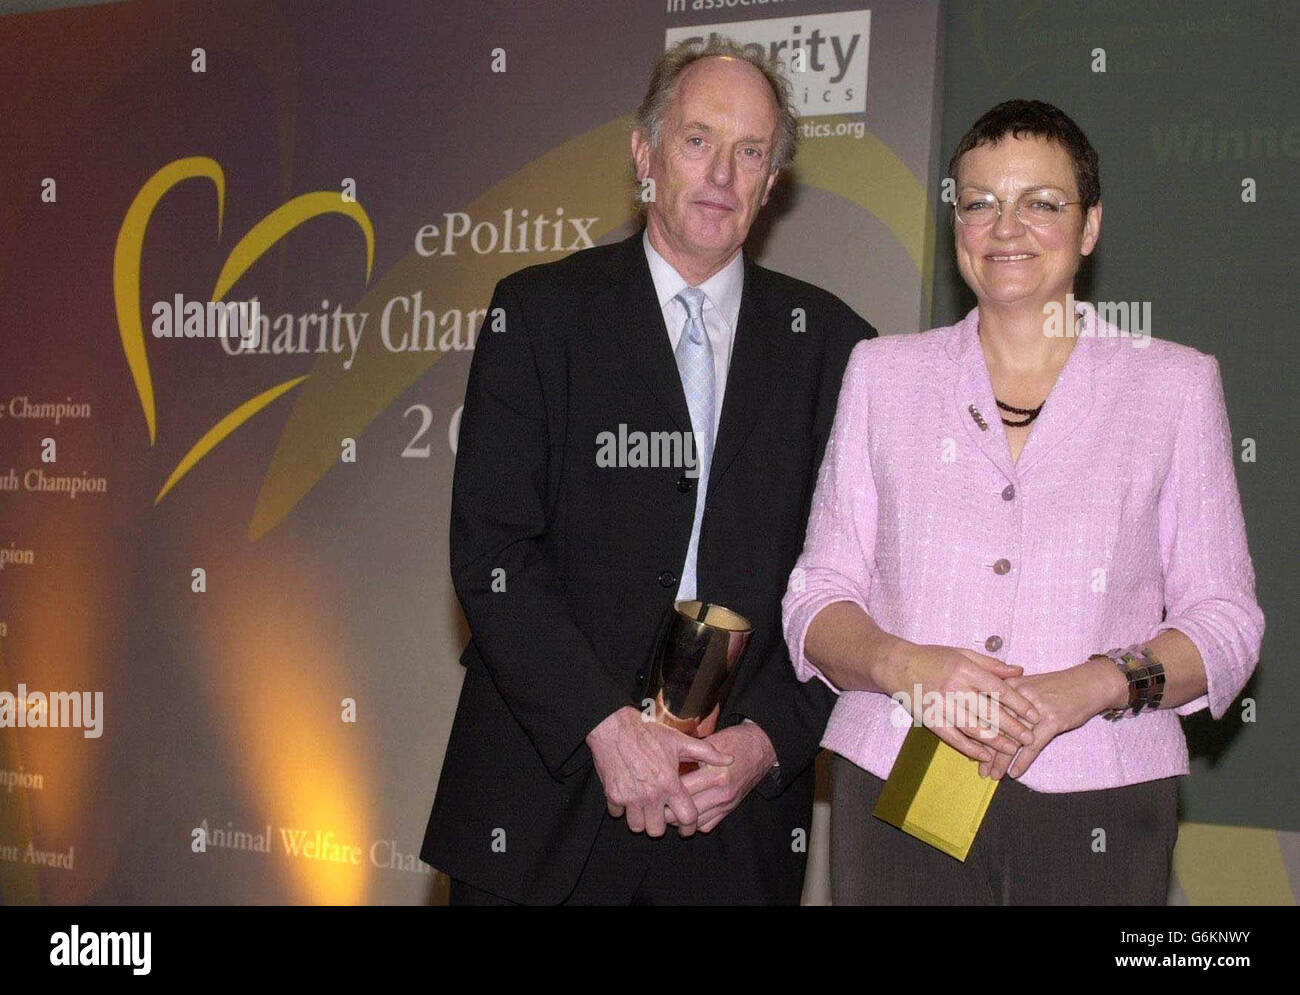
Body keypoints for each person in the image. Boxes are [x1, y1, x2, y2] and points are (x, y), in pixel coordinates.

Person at [421, 37, 875, 905]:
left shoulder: (836, 348)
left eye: (750, 153)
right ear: (646, 154)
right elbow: (494, 552)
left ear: (771, 182)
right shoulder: (539, 314)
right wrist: (604, 724)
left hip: (731, 816)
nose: (722, 175)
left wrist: (768, 742)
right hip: (543, 800)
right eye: (698, 140)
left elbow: (853, 583)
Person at [782, 99, 1264, 905]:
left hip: (1103, 796)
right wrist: (911, 667)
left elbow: (1226, 622)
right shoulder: (882, 374)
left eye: (1041, 202)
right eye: (980, 202)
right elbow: (816, 599)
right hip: (901, 781)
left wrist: (1095, 682)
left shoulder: (1174, 385)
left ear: (1090, 225)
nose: (1007, 227)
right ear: (957, 223)